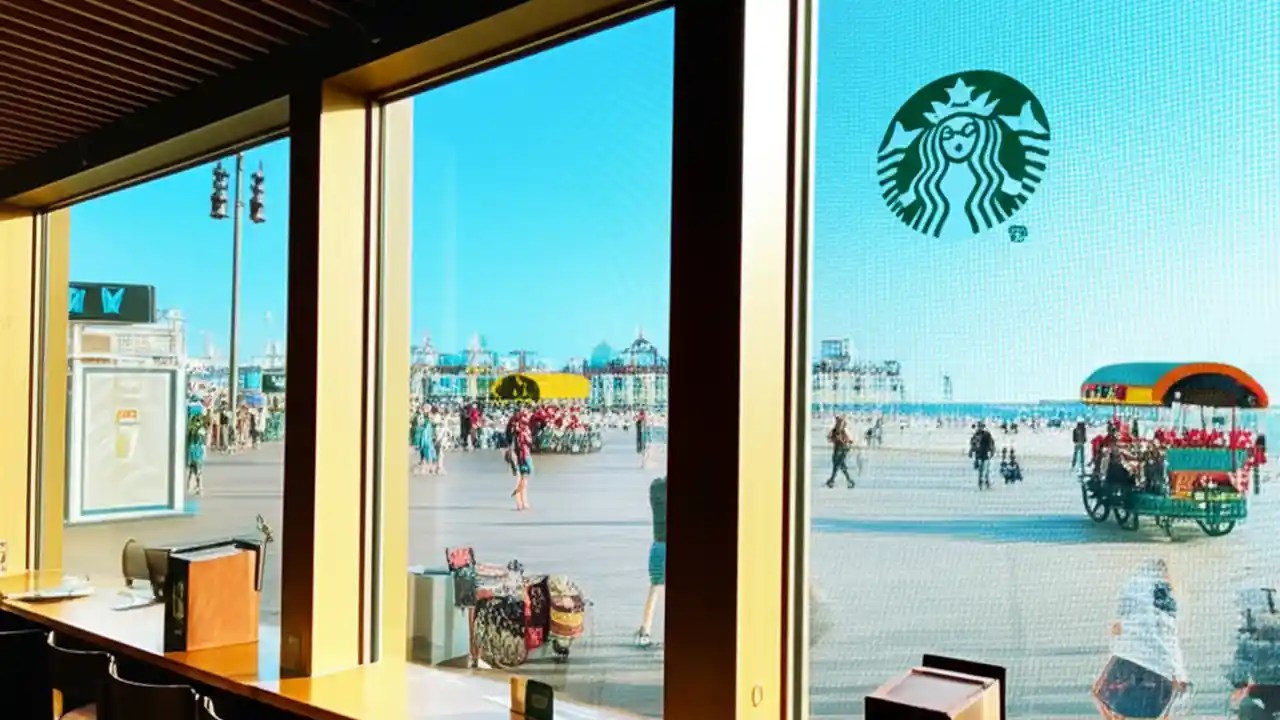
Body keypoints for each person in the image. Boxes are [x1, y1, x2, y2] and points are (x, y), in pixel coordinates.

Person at [1097, 558, 1187, 718]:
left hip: (1137, 659)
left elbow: (1120, 625)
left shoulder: (1137, 591)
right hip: (1161, 667)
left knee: (1101, 694)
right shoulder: (1169, 606)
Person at [636, 475, 666, 648]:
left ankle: (645, 631)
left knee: (654, 589)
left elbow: (656, 482)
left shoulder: (655, 488)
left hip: (658, 546)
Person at [509, 418, 533, 511]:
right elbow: (528, 443)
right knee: (522, 480)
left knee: (522, 480)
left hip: (519, 457)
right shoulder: (521, 434)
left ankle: (522, 502)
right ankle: (521, 503)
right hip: (521, 457)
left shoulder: (516, 434)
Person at [825, 416, 855, 489]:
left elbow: (849, 441)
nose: (840, 425)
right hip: (837, 451)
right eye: (839, 423)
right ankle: (848, 481)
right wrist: (835, 439)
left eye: (841, 423)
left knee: (838, 467)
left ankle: (832, 480)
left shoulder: (844, 432)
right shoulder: (834, 431)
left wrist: (845, 442)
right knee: (839, 467)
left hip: (842, 451)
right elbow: (829, 438)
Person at [186, 410, 208, 495]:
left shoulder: (191, 429)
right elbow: (203, 441)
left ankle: (194, 487)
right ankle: (198, 487)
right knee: (197, 470)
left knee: (193, 469)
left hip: (193, 451)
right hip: (198, 452)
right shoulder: (201, 430)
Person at [969, 421, 995, 489]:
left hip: (986, 454)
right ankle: (981, 483)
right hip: (979, 455)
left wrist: (992, 452)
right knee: (981, 470)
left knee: (986, 470)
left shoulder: (987, 434)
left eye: (981, 426)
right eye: (979, 426)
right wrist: (971, 451)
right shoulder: (976, 434)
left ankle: (986, 483)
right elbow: (973, 444)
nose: (980, 427)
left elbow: (991, 444)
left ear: (983, 427)